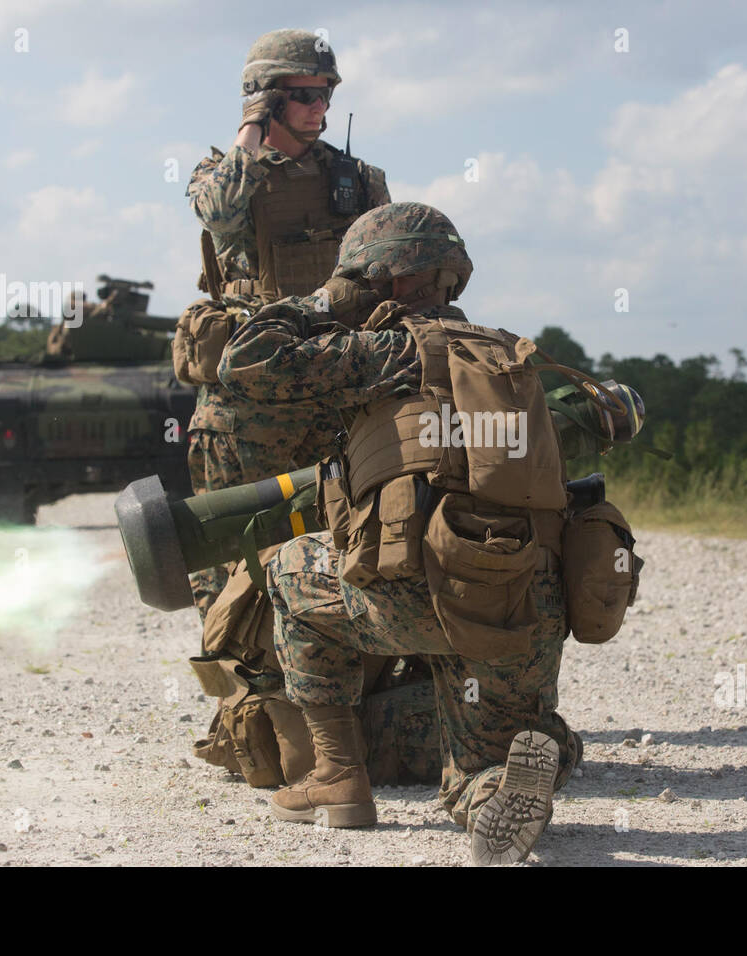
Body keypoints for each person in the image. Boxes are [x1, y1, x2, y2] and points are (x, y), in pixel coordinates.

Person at [217, 202, 585, 865]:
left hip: (410, 598)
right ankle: (493, 789)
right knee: (495, 755)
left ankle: (339, 779)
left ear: (379, 279)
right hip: (522, 605)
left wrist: (325, 298)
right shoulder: (512, 356)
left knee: (290, 569)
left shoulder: (377, 352)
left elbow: (243, 362)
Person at [184, 27, 390, 623]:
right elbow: (219, 214)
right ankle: (245, 700)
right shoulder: (225, 173)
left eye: (326, 92)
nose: (320, 107)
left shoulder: (360, 181)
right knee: (232, 543)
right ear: (266, 98)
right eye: (303, 95)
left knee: (342, 531)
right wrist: (250, 128)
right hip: (249, 397)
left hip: (334, 381)